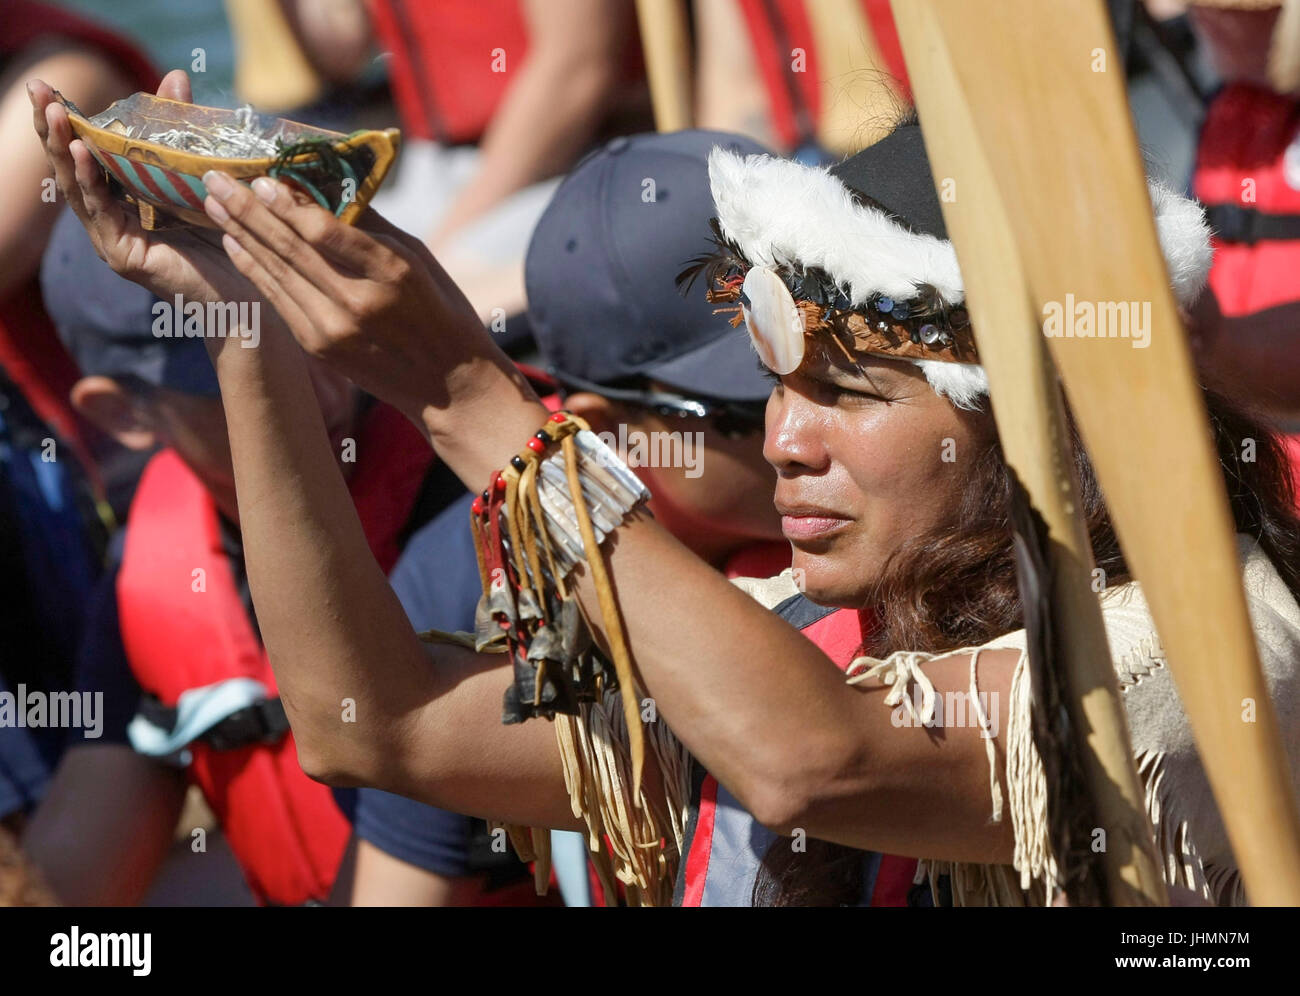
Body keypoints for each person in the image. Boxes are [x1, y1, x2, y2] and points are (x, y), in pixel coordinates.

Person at [32, 71, 1300, 905]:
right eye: (771, 386)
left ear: (1040, 426)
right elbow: (375, 728)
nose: (787, 439)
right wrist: (243, 330)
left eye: (849, 394)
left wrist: (471, 401)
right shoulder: (806, 643)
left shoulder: (1217, 649)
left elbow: (816, 765)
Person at [334, 128, 795, 906]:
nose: (805, 428)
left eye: (834, 370)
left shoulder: (903, 492)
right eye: (752, 402)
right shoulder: (476, 589)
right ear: (606, 423)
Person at [20, 202, 442, 907]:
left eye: (300, 326)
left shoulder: (459, 488)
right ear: (122, 414)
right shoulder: (148, 572)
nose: (317, 382)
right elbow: (65, 883)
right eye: (231, 365)